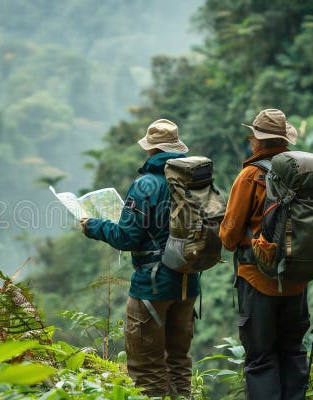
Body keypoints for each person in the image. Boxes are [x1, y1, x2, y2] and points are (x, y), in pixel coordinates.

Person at [81, 118, 198, 398]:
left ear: (151, 150)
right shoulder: (194, 181)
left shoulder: (146, 185)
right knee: (178, 360)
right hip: (189, 281)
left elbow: (127, 237)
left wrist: (93, 226)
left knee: (147, 367)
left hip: (152, 285)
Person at [219, 109, 310, 400]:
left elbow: (230, 237)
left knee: (260, 358)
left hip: (257, 279)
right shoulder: (305, 173)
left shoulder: (251, 175)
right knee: (293, 352)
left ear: (257, 142)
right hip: (297, 280)